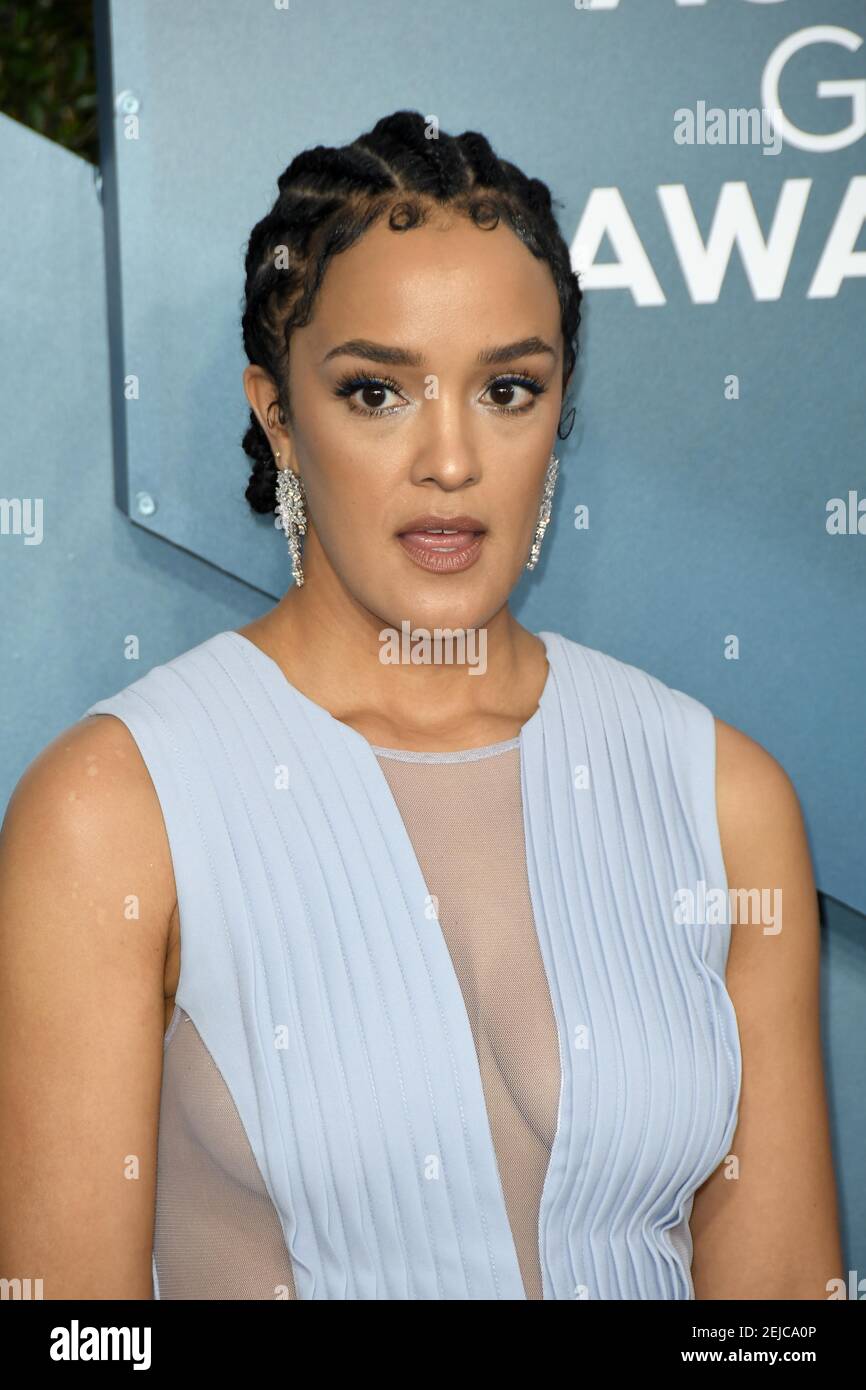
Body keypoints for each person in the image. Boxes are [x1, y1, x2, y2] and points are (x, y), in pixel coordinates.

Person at [0, 110, 843, 1301]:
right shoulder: (111, 809)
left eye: (506, 387)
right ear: (278, 413)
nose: (450, 458)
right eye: (376, 392)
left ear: (559, 412)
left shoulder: (721, 797)